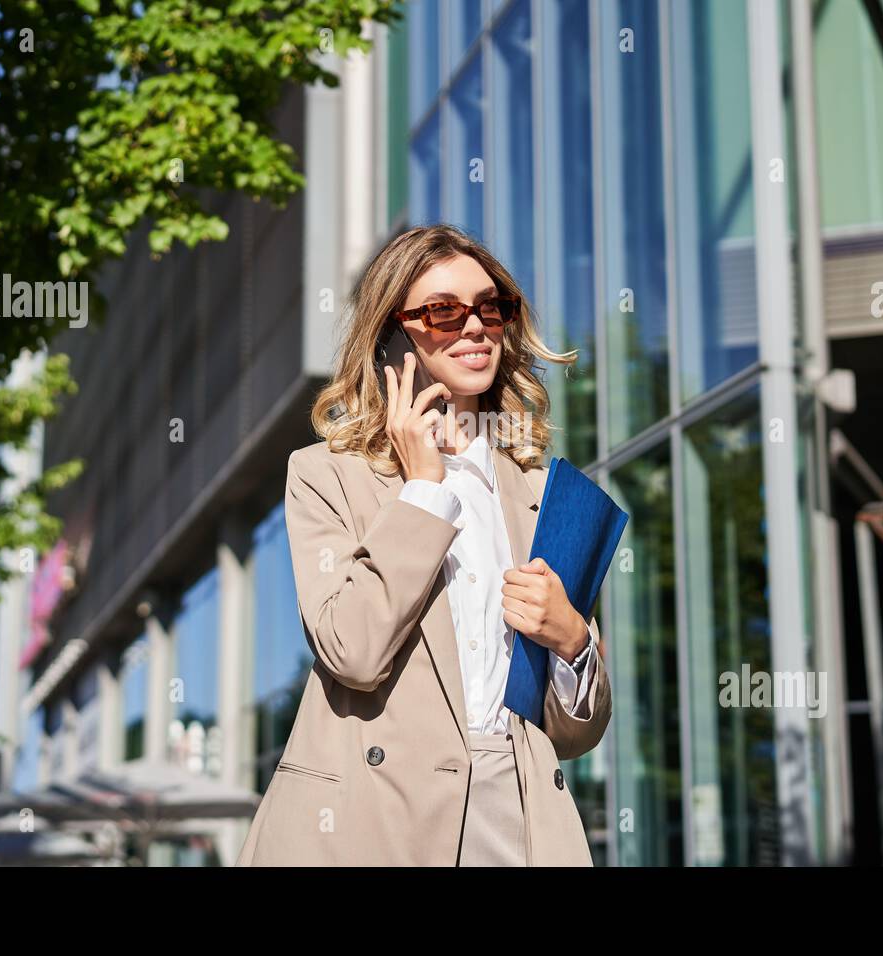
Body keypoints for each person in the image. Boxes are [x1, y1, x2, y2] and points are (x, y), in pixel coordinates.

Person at [234, 224, 611, 866]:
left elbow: (576, 735)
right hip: (375, 820)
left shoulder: (546, 495)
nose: (475, 327)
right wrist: (424, 493)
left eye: (491, 308)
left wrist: (573, 640)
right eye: (443, 311)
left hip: (515, 813)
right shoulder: (329, 475)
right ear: (393, 337)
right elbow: (351, 653)